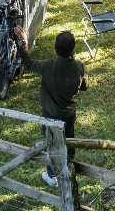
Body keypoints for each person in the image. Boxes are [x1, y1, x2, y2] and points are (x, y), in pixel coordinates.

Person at [15, 28, 88, 186]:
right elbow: (84, 87)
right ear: (72, 48)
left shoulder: (48, 66)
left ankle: (51, 175)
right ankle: (69, 167)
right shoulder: (80, 66)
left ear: (56, 48)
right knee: (69, 139)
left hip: (50, 114)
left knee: (51, 144)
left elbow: (27, 62)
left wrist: (24, 42)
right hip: (69, 113)